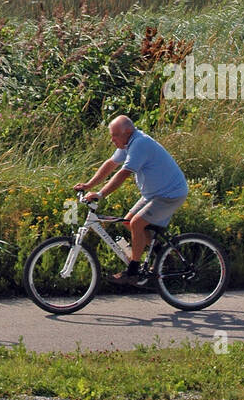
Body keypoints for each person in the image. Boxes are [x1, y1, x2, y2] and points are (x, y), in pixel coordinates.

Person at [75, 114, 189, 286]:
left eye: (115, 135)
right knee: (128, 222)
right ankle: (164, 256)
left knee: (136, 223)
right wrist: (88, 185)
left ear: (128, 131)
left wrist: (100, 194)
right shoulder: (128, 142)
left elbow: (123, 173)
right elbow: (111, 164)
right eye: (111, 135)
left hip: (170, 194)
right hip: (154, 194)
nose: (112, 139)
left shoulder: (140, 144)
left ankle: (133, 272)